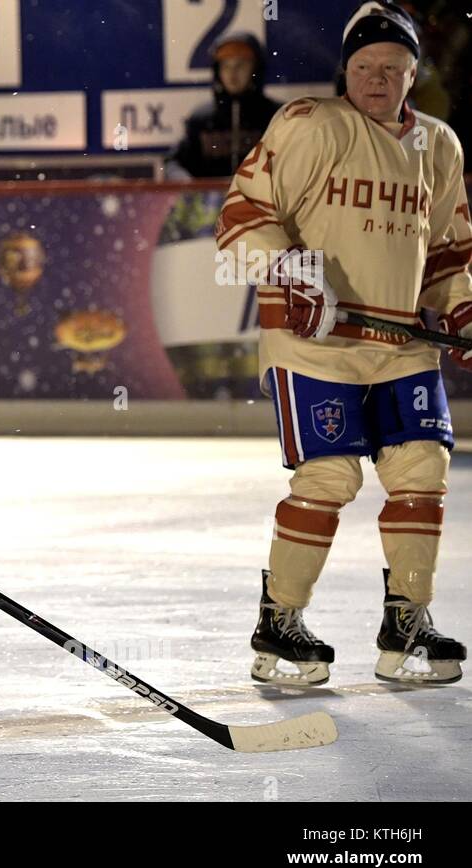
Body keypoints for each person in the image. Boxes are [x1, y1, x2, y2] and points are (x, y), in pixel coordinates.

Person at [216, 2, 470, 686]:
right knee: (331, 478)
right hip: (315, 347)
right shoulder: (312, 125)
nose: (376, 78)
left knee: (422, 468)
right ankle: (280, 622)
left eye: (392, 67)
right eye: (363, 66)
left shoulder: (440, 146)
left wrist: (462, 309)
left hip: (403, 346)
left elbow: (449, 253)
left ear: (414, 75)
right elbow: (241, 219)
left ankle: (407, 621)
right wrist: (286, 269)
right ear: (346, 70)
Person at [166, 33, 282, 179]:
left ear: (255, 69)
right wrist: (185, 183)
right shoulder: (200, 120)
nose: (232, 73)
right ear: (217, 71)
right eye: (226, 66)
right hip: (210, 202)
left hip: (264, 201)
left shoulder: (277, 117)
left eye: (240, 65)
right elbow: (173, 163)